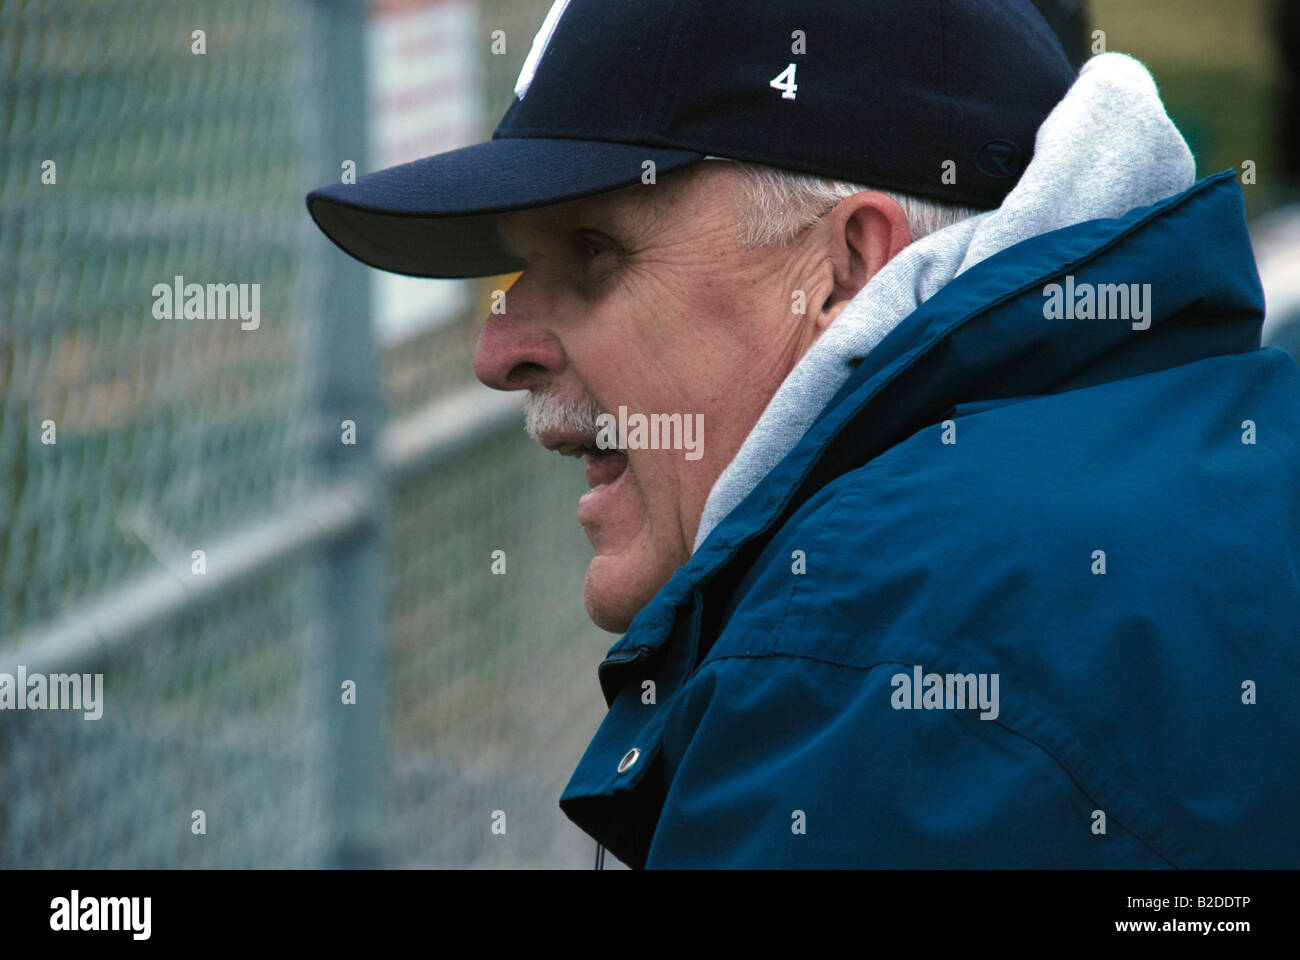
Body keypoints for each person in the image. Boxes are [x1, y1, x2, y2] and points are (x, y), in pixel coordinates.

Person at [306, 0, 1300, 868]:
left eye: (594, 250)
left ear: (845, 271)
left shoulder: (858, 665)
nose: (499, 350)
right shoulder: (1219, 447)